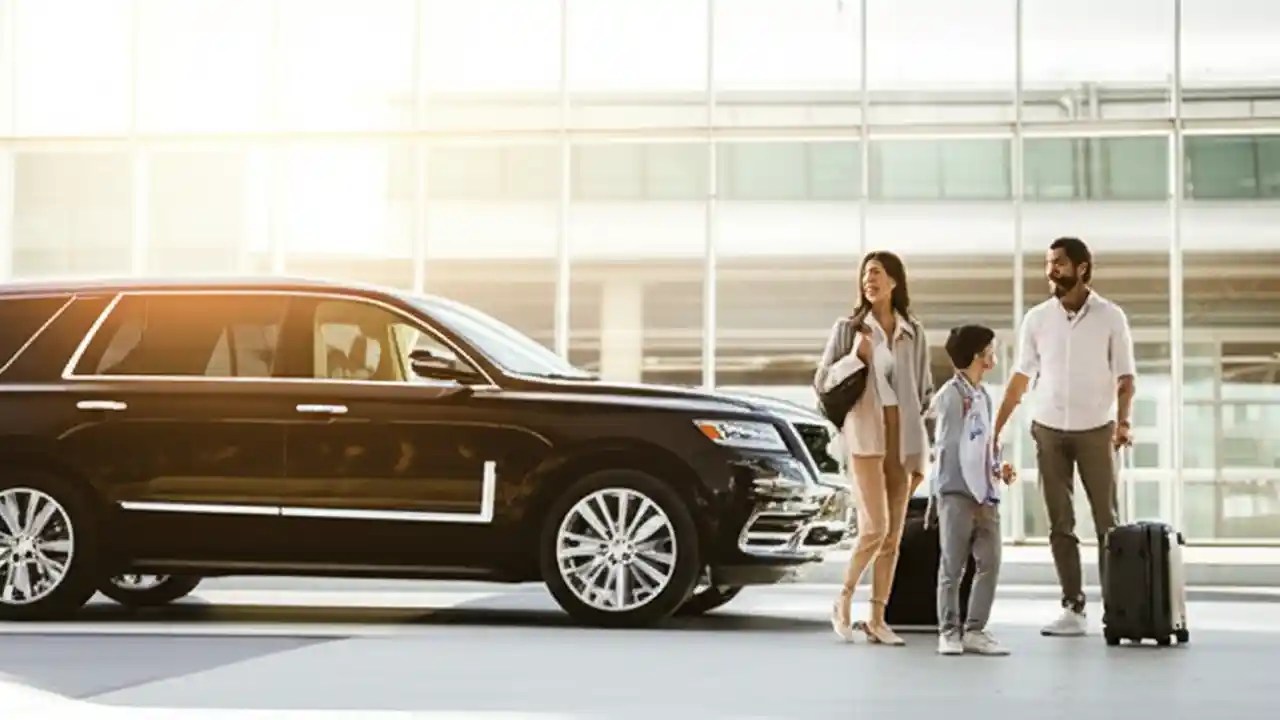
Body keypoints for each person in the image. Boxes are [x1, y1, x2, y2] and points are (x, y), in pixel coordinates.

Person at [993, 236, 1136, 637]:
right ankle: (1072, 607)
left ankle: (1120, 607)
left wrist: (1123, 422)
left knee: (1109, 522)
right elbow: (1021, 378)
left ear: (1082, 267)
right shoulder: (1037, 319)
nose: (1051, 270)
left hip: (1096, 429)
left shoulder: (1111, 316)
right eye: (1048, 263)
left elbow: (1126, 378)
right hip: (1049, 429)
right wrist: (997, 428)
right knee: (1060, 523)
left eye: (1058, 263)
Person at [814, 250, 933, 646]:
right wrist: (855, 358)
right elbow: (822, 383)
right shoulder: (848, 329)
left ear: (894, 281)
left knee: (894, 537)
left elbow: (925, 391)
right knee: (875, 528)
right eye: (865, 274)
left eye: (877, 273)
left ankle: (878, 620)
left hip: (903, 439)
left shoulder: (913, 331)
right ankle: (843, 598)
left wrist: (919, 451)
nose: (870, 279)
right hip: (864, 437)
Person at [927, 324, 1016, 656]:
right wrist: (956, 491)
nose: (993, 355)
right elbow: (950, 447)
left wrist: (997, 469)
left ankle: (975, 630)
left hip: (986, 494)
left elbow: (983, 444)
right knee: (952, 565)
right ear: (979, 355)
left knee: (990, 561)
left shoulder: (984, 397)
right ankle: (949, 631)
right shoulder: (951, 396)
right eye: (990, 349)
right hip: (958, 494)